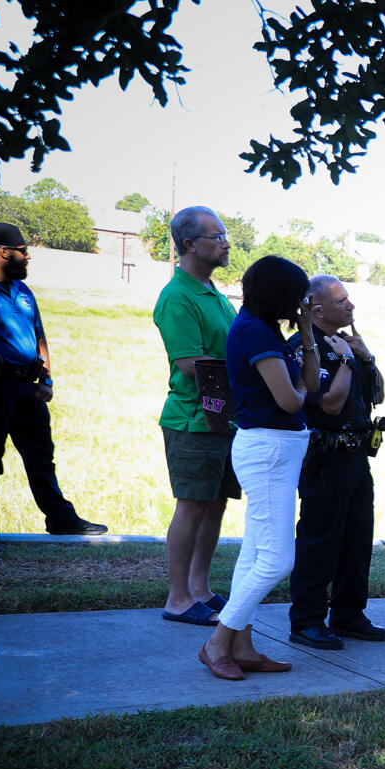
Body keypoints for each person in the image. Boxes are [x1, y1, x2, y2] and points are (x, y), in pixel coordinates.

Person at [197, 255, 325, 680]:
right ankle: (219, 643)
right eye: (298, 296)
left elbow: (312, 385)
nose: (303, 301)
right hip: (268, 450)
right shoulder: (254, 331)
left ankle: (243, 645)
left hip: (277, 449)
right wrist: (302, 387)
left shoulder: (266, 328)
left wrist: (306, 333)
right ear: (280, 293)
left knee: (254, 552)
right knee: (276, 560)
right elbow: (292, 400)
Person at [285, 275, 385, 651]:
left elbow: (377, 392)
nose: (351, 306)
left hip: (356, 454)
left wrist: (365, 357)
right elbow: (330, 402)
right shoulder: (303, 348)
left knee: (357, 538)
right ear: (316, 309)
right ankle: (308, 620)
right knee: (320, 539)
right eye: (342, 301)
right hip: (326, 456)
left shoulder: (346, 344)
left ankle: (348, 613)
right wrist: (347, 360)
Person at [0, 222, 104, 549]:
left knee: (41, 458)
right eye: (24, 251)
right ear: (3, 252)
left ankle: (61, 519)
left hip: (28, 390)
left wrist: (47, 379)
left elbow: (39, 337)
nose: (28, 257)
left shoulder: (24, 292)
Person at [153, 207, 238, 623]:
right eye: (216, 235)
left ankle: (200, 589)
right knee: (191, 505)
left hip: (222, 418)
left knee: (215, 503)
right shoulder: (178, 297)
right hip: (193, 418)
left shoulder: (214, 293)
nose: (225, 242)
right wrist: (252, 373)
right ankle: (178, 599)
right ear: (189, 244)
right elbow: (191, 363)